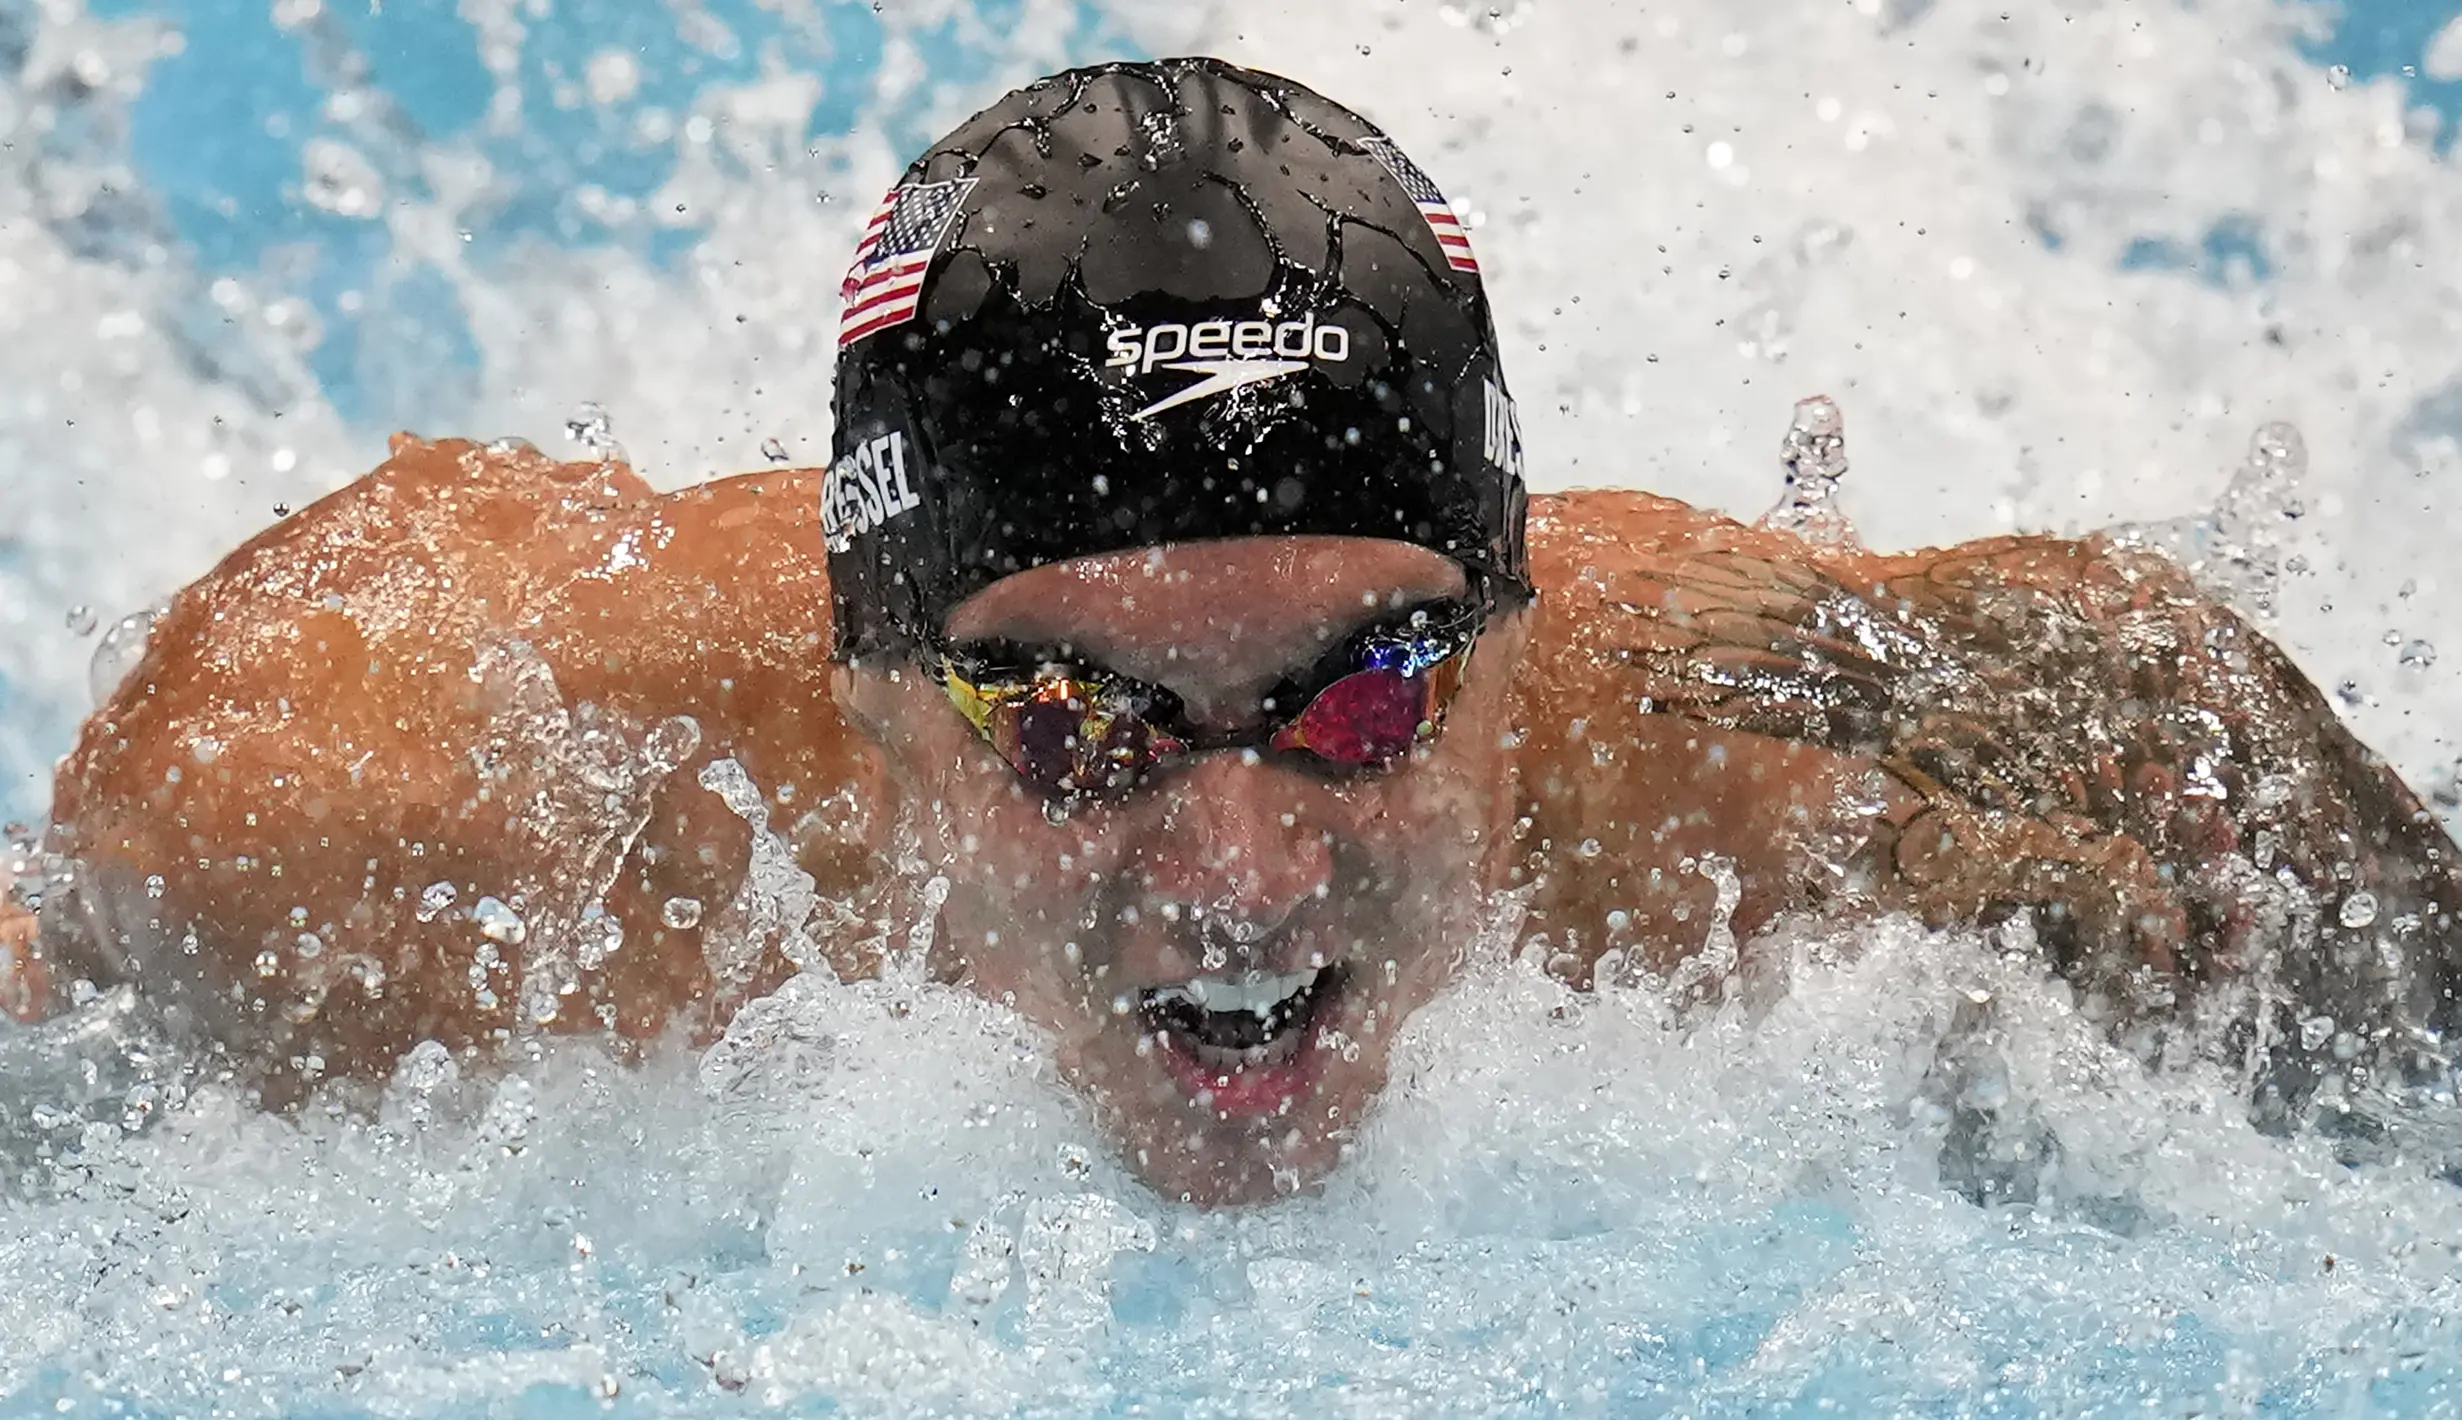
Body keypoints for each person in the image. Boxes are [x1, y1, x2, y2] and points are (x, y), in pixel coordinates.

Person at [10, 57, 2460, 1205]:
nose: (1242, 872)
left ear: (1513, 648)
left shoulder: (1762, 772)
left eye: (1367, 694)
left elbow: (2189, 730)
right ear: (873, 707)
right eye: (1071, 726)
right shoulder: (396, 821)